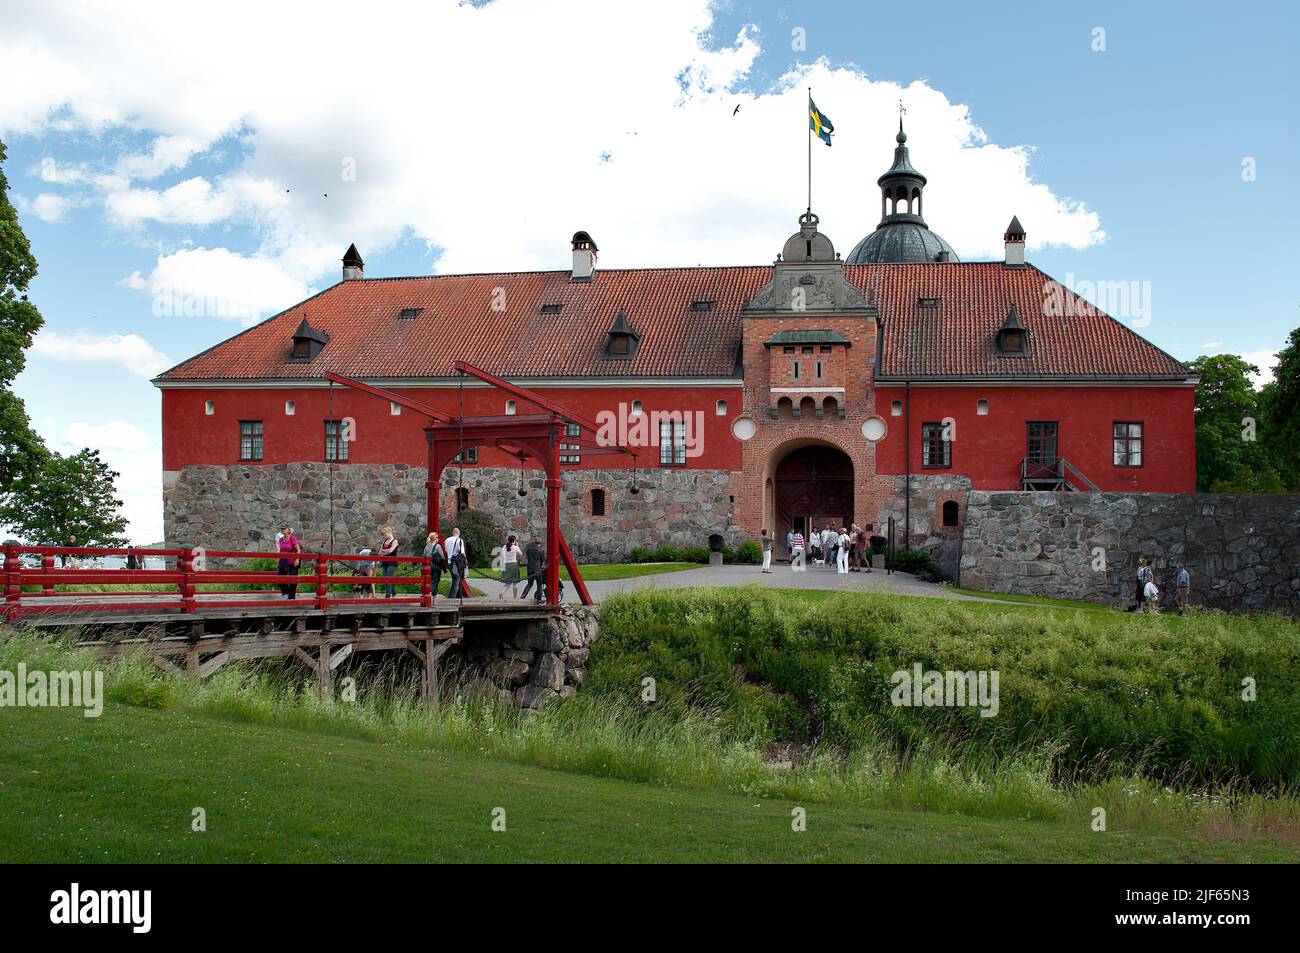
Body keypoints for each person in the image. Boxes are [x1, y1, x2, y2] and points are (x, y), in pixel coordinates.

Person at [277, 525, 301, 599]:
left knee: (293, 578)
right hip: (283, 560)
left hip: (292, 560)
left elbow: (298, 549)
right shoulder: (280, 539)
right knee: (280, 577)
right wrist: (278, 559)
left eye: (285, 528)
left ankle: (291, 596)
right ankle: (285, 593)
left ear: (288, 530)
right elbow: (280, 550)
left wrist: (297, 559)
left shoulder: (292, 538)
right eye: (282, 529)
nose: (283, 530)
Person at [378, 525, 400, 598]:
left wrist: (384, 551)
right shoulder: (384, 541)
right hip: (384, 562)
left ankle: (387, 595)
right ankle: (393, 591)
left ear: (388, 532)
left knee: (388, 577)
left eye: (384, 534)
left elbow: (391, 551)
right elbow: (379, 552)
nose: (383, 536)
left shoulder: (395, 541)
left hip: (392, 562)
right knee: (385, 578)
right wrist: (385, 551)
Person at [445, 527, 467, 598]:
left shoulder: (447, 540)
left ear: (452, 532)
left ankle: (458, 594)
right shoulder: (459, 540)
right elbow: (462, 552)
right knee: (456, 579)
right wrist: (466, 561)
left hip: (448, 561)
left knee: (455, 578)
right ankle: (452, 597)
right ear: (459, 533)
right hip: (456, 562)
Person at [423, 531, 446, 598]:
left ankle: (431, 593)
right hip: (436, 565)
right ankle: (431, 593)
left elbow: (424, 555)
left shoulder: (427, 546)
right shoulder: (438, 546)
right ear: (435, 538)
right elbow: (442, 557)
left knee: (429, 580)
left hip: (428, 565)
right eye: (437, 537)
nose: (438, 538)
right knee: (435, 580)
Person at [521, 536, 545, 602]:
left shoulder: (529, 549)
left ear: (534, 542)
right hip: (538, 569)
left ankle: (523, 596)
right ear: (540, 542)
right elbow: (542, 560)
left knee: (529, 584)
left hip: (530, 568)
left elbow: (527, 556)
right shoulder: (541, 550)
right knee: (539, 584)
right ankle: (539, 598)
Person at [499, 534, 523, 598]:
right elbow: (520, 554)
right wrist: (517, 546)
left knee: (507, 582)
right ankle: (514, 597)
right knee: (516, 582)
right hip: (514, 565)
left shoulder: (504, 547)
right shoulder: (515, 547)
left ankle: (502, 593)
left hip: (506, 564)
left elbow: (502, 555)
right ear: (514, 540)